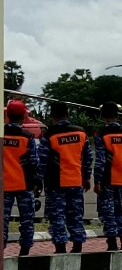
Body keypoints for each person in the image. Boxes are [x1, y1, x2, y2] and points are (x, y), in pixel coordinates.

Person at [39, 102, 92, 253]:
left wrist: (38, 181)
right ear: (67, 114)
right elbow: (88, 157)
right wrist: (87, 177)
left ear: (52, 116)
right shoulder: (81, 133)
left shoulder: (49, 135)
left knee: (57, 217)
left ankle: (60, 248)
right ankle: (77, 247)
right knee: (76, 215)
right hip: (76, 181)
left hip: (56, 184)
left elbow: (42, 160)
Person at [93, 102, 122, 252]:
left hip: (107, 180)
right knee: (120, 212)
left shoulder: (102, 134)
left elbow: (100, 160)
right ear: (117, 115)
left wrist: (97, 180)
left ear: (104, 117)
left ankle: (112, 244)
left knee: (108, 213)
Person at [4, 100, 41, 256]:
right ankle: (24, 250)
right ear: (22, 117)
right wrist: (37, 182)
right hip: (24, 185)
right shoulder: (27, 137)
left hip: (4, 186)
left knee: (2, 221)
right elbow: (34, 161)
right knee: (27, 220)